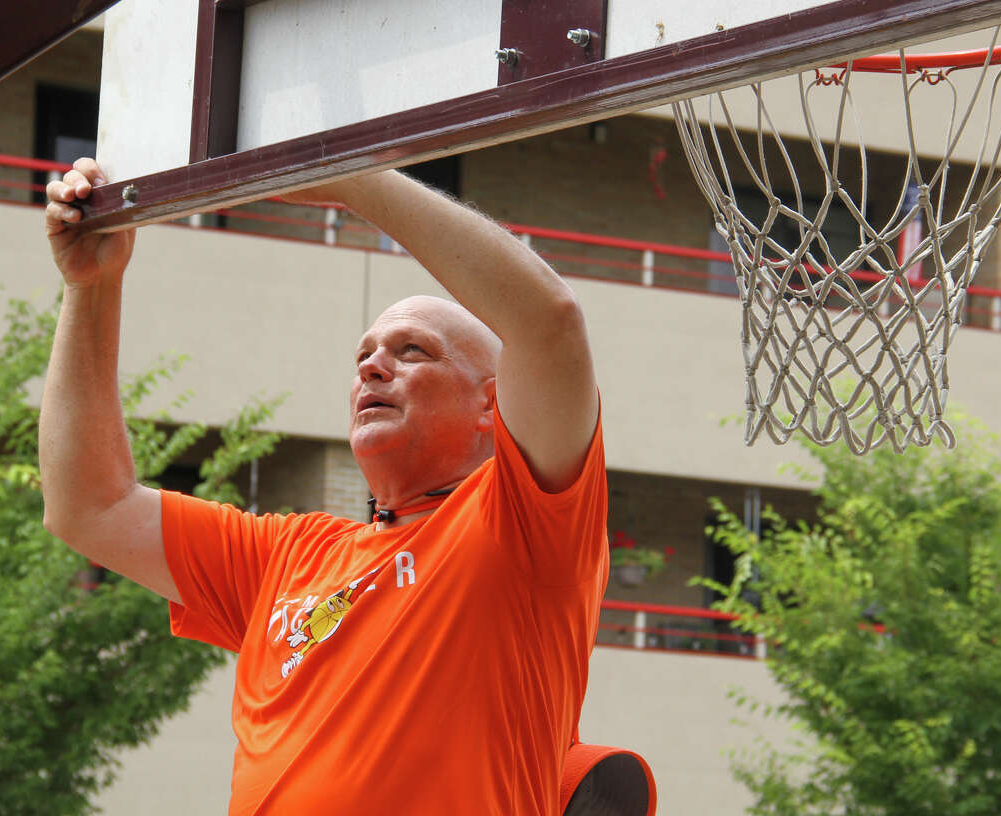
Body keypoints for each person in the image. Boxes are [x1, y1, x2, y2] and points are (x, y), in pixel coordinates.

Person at [40, 158, 614, 814]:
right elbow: (90, 506)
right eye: (363, 355)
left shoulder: (526, 526)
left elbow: (550, 320)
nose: (373, 365)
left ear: (493, 405)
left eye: (413, 352)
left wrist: (354, 179)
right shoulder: (287, 555)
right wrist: (91, 287)